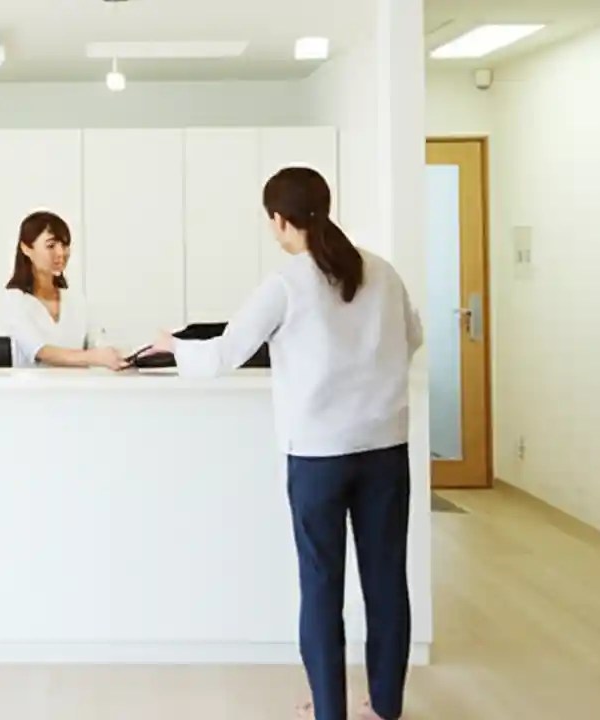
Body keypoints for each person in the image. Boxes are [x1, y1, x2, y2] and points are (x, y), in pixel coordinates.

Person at [145, 167, 423, 720]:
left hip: (318, 456)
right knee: (387, 581)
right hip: (385, 449)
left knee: (321, 586)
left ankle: (329, 710)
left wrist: (171, 346)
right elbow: (412, 337)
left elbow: (225, 353)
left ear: (278, 219)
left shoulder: (286, 283)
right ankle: (384, 708)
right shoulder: (383, 272)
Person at [1, 210, 128, 370]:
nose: (61, 253)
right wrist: (94, 357)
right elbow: (40, 351)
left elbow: (97, 342)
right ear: (26, 249)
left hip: (78, 385)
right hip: (33, 386)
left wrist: (120, 355)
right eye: (51, 246)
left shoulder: (76, 299)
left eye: (64, 245)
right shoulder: (15, 300)